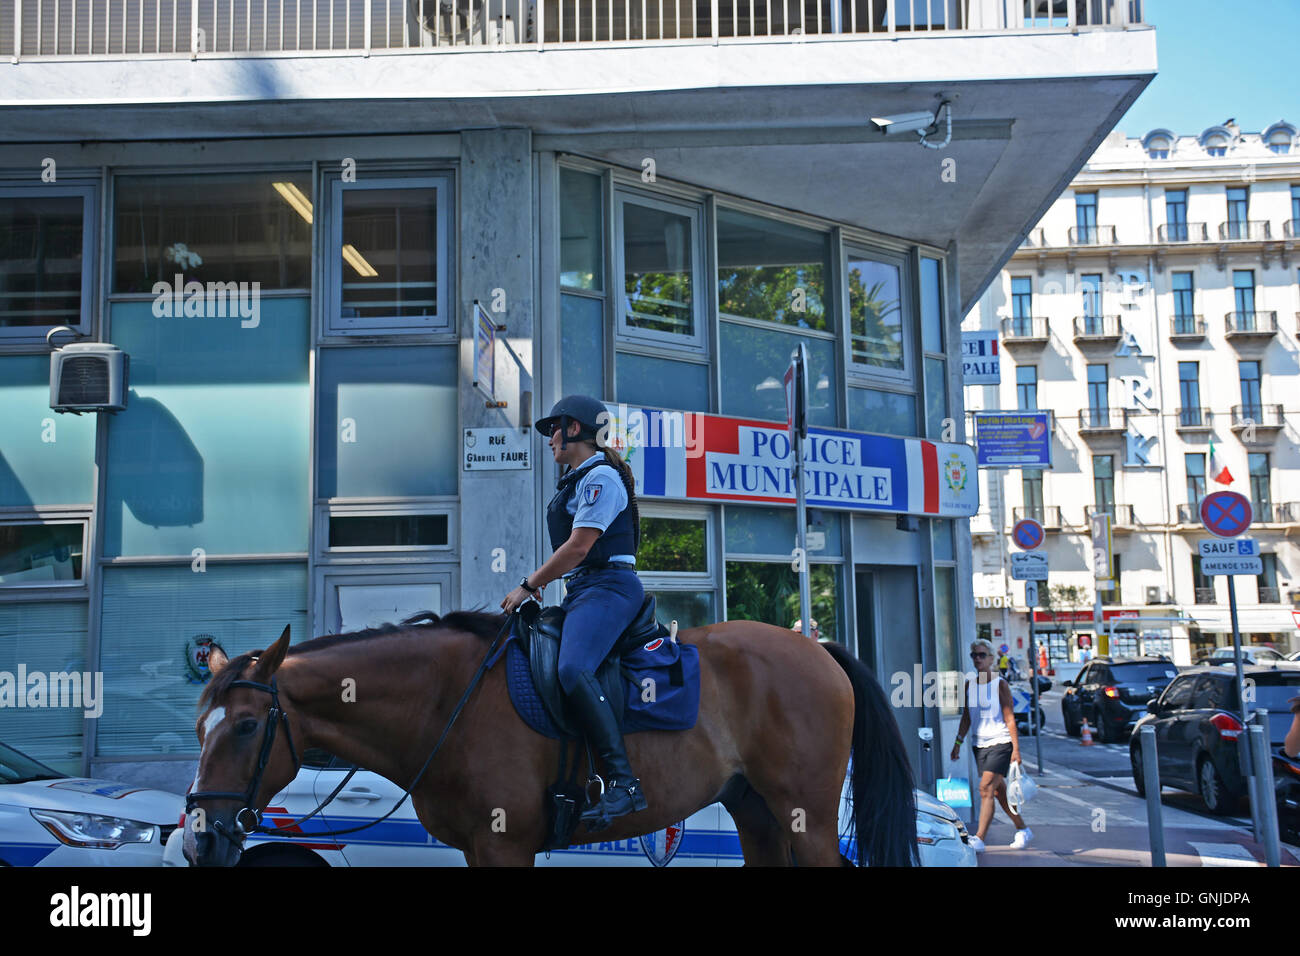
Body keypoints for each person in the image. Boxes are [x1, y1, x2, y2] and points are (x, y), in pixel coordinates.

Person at [500, 395, 648, 831]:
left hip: (610, 588)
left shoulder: (600, 477)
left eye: (555, 429)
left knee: (572, 668)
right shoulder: (576, 479)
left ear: (577, 429)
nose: (549, 439)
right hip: (585, 589)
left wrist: (531, 584)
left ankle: (624, 783)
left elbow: (580, 546)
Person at [949, 638, 1033, 853]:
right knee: (998, 791)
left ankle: (979, 838)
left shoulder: (1000, 684)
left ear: (992, 658)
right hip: (980, 744)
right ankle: (1022, 828)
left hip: (1001, 742)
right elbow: (967, 717)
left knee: (985, 788)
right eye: (974, 655)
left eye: (982, 655)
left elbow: (1010, 718)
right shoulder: (969, 684)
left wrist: (1016, 749)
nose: (977, 659)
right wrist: (958, 743)